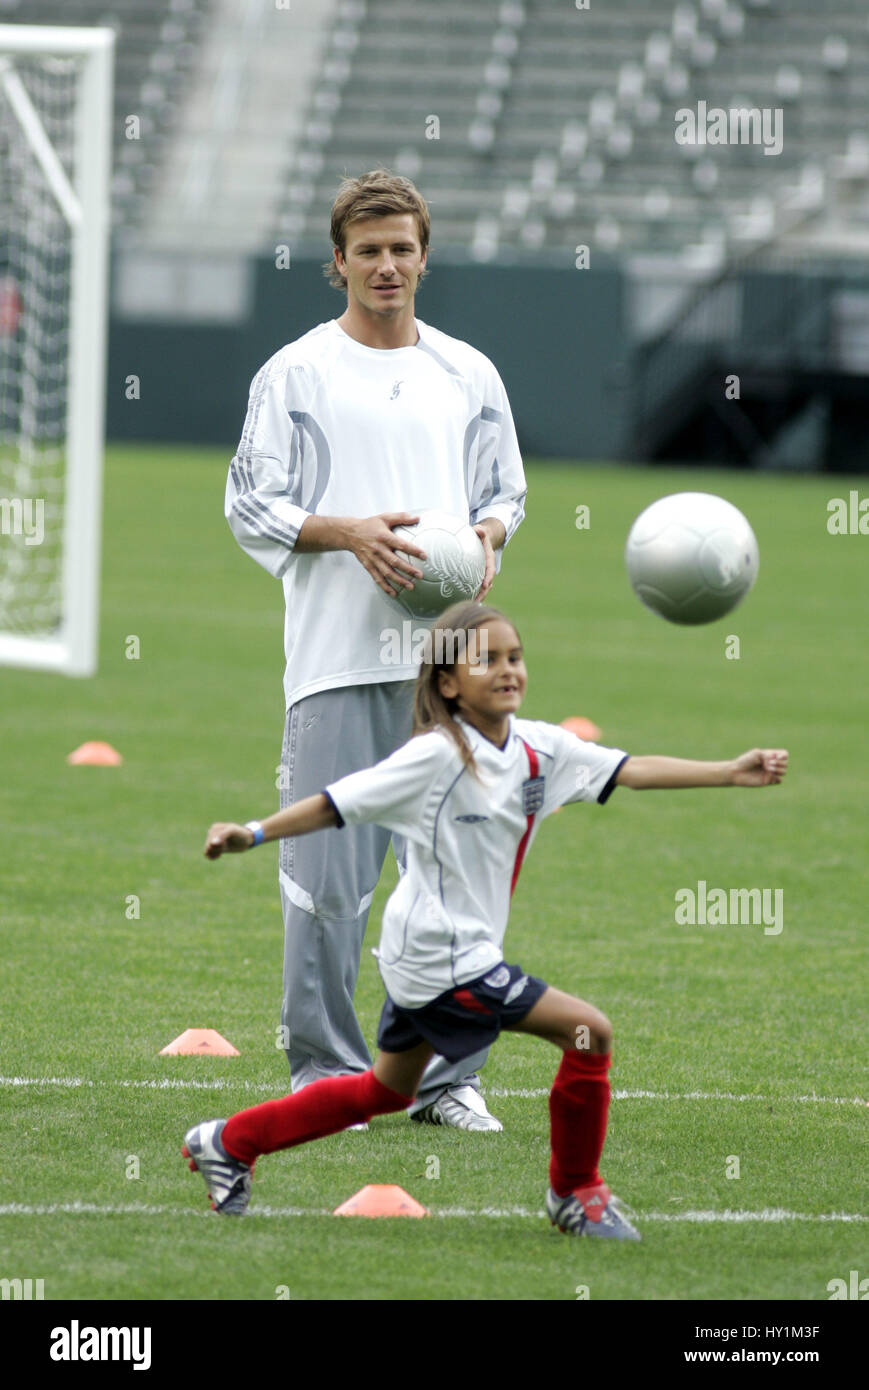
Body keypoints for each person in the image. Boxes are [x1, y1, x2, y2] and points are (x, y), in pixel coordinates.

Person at [185, 602, 789, 1238]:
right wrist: (251, 834)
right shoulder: (434, 758)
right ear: (448, 683)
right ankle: (576, 1193)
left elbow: (629, 770)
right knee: (589, 1033)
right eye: (488, 660)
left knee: (384, 1092)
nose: (508, 670)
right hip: (444, 958)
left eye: (515, 657)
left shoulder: (539, 748)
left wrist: (729, 771)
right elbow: (336, 804)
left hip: (424, 956)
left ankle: (228, 1141)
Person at [224, 169, 526, 1131]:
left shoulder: (468, 372)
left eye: (402, 249)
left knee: (448, 880)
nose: (387, 265)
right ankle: (325, 1074)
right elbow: (249, 501)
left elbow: (502, 492)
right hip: (338, 658)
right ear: (339, 262)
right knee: (328, 884)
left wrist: (485, 540)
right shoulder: (297, 373)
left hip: (446, 667)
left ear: (423, 257)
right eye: (368, 251)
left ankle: (445, 1079)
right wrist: (347, 532)